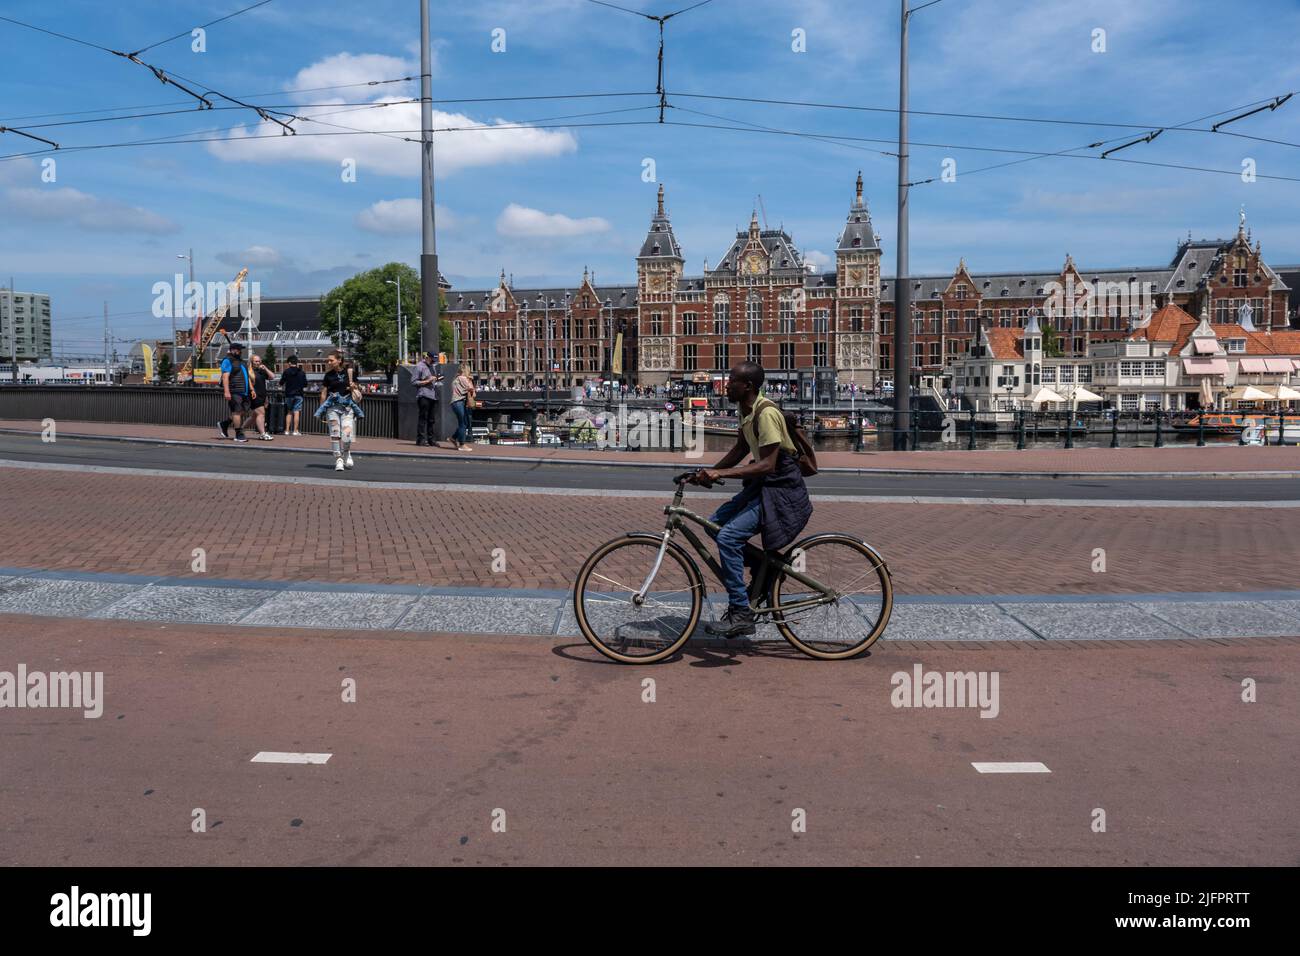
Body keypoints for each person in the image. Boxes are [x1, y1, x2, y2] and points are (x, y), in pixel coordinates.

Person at [688, 361, 814, 638]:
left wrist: (719, 472)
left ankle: (741, 613)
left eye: (731, 380)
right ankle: (759, 567)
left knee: (728, 537)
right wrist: (706, 473)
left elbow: (768, 464)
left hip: (780, 488)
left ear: (748, 386)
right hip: (764, 484)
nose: (727, 384)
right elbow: (741, 448)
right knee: (715, 525)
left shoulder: (766, 413)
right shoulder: (744, 409)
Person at [314, 351, 365, 471]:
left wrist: (354, 386)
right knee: (335, 434)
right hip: (332, 408)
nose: (329, 362)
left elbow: (359, 389)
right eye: (329, 360)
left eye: (331, 360)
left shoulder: (350, 373)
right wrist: (322, 409)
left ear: (339, 360)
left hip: (347, 407)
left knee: (347, 434)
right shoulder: (328, 375)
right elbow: (324, 392)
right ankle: (339, 459)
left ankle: (346, 453)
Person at [217, 339, 253, 443]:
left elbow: (246, 377)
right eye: (238, 350)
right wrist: (227, 391)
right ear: (232, 350)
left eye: (240, 350)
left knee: (243, 411)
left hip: (245, 391)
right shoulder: (227, 360)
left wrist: (251, 389)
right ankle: (238, 434)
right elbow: (225, 377)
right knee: (236, 412)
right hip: (235, 390)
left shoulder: (242, 361)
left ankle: (225, 423)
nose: (240, 351)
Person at [412, 351, 444, 448]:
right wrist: (427, 381)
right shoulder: (419, 366)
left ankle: (431, 439)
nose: (433, 362)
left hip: (433, 395)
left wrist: (437, 379)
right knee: (423, 418)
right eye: (432, 359)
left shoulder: (432, 366)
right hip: (423, 395)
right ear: (427, 357)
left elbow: (434, 379)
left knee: (431, 419)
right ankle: (420, 439)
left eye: (435, 360)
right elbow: (413, 382)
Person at [249, 353, 275, 440]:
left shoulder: (261, 371)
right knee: (261, 414)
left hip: (262, 395)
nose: (258, 362)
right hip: (254, 395)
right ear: (251, 362)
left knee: (253, 417)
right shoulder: (249, 371)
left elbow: (272, 377)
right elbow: (248, 383)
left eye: (259, 361)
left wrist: (266, 368)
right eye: (256, 361)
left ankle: (240, 429)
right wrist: (252, 391)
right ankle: (263, 434)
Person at [280, 355, 307, 435]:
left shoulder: (286, 371)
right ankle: (295, 431)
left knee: (289, 412)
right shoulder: (301, 372)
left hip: (289, 394)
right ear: (296, 362)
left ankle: (287, 430)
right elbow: (305, 384)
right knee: (296, 412)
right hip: (299, 394)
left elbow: (281, 382)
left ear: (289, 362)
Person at [451, 365, 476, 450]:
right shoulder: (463, 378)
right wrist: (470, 380)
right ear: (466, 371)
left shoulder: (457, 378)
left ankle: (453, 438)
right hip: (459, 402)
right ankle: (462, 444)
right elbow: (472, 390)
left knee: (463, 422)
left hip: (456, 402)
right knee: (463, 424)